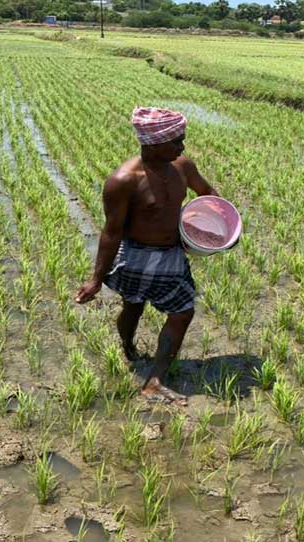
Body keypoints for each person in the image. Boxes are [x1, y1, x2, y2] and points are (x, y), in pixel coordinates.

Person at [74, 107, 218, 406]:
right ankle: (128, 344)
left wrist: (223, 226)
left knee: (182, 312)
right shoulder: (123, 180)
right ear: (153, 143)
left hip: (172, 256)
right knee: (133, 307)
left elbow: (208, 195)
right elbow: (111, 232)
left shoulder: (183, 167)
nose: (181, 147)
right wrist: (96, 280)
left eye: (182, 140)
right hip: (135, 257)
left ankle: (154, 381)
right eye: (175, 142)